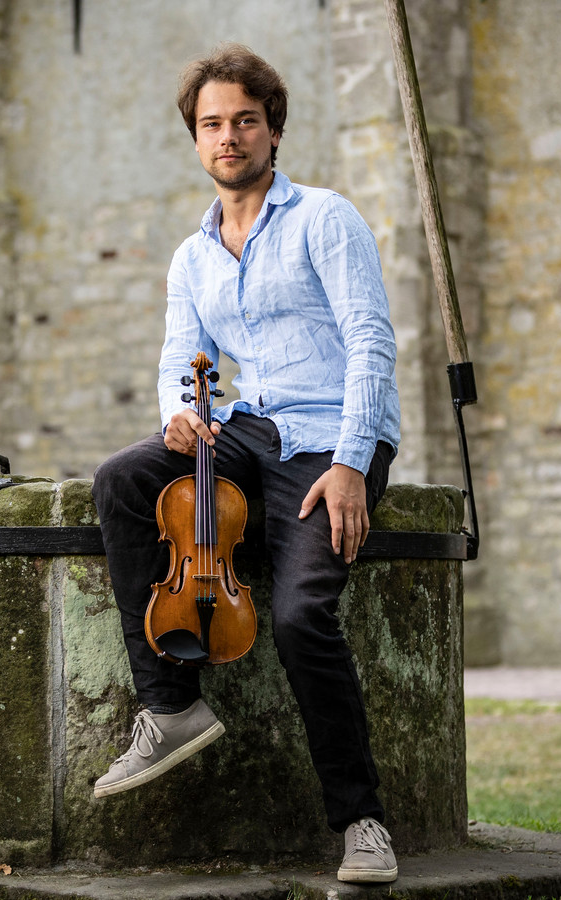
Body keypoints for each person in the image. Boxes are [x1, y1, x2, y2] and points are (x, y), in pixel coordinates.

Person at [90, 43, 402, 885]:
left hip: (330, 437)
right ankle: (172, 708)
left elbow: (372, 342)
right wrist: (179, 417)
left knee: (303, 617)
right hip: (245, 431)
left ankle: (362, 820)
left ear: (274, 131)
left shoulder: (324, 218)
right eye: (213, 125)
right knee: (122, 480)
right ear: (196, 141)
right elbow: (177, 359)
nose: (229, 137)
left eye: (245, 122)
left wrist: (350, 463)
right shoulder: (191, 257)